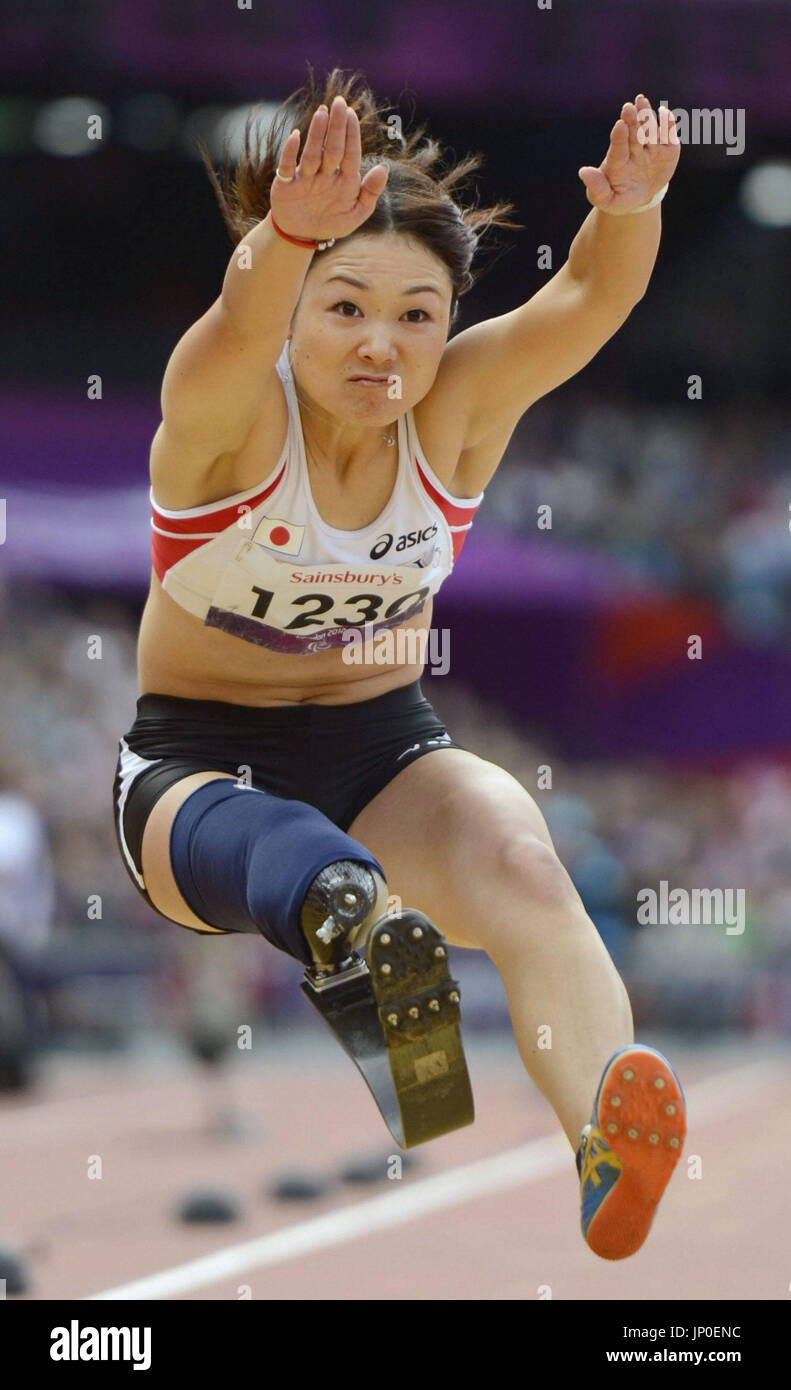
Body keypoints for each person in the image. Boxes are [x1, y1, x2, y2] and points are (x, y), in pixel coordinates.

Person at [112, 67, 685, 1259]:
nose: (383, 343)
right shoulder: (230, 410)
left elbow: (580, 296)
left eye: (417, 315)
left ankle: (601, 1142)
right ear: (296, 311)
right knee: (322, 876)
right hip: (198, 773)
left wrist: (627, 211)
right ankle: (362, 945)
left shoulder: (457, 411)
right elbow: (233, 321)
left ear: (447, 326)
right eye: (345, 307)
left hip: (384, 747)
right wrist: (282, 238)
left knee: (525, 863)